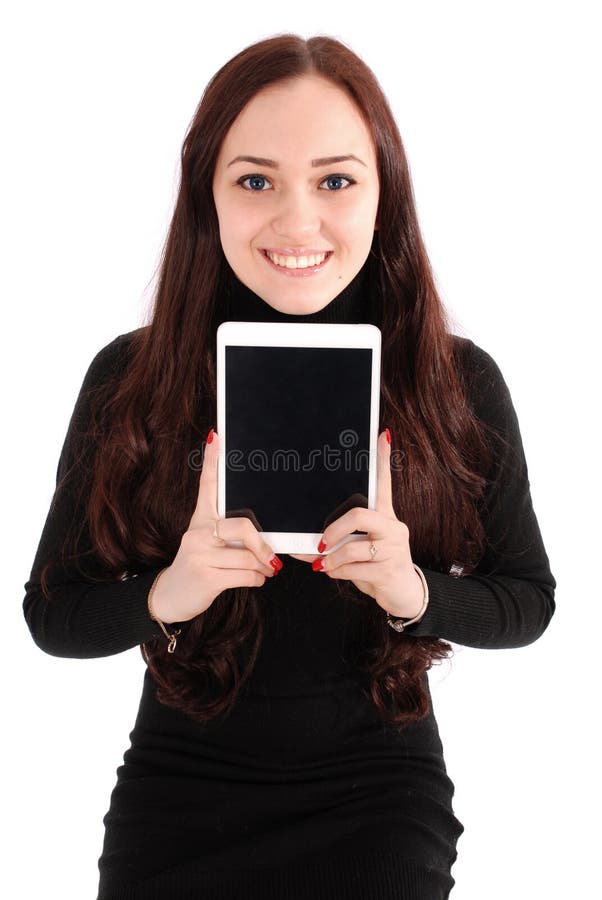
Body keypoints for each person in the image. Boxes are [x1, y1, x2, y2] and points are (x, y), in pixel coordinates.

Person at [22, 33, 556, 900]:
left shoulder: (458, 382)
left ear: (383, 193)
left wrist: (412, 590)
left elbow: (529, 601)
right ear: (210, 195)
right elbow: (52, 614)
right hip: (178, 797)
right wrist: (170, 591)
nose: (297, 221)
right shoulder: (131, 376)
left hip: (378, 802)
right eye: (255, 179)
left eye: (336, 180)